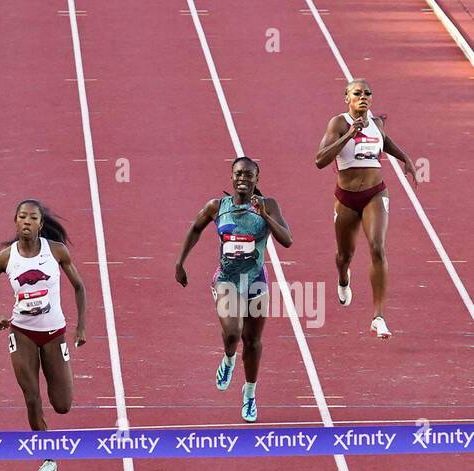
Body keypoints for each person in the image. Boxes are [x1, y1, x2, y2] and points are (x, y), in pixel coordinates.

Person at [0, 200, 86, 471]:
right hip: (21, 334)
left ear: (40, 224)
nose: (26, 221)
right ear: (15, 221)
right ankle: (48, 457)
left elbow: (80, 286)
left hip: (54, 333)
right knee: (32, 399)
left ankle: (55, 409)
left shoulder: (56, 251)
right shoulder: (4, 258)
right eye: (22, 216)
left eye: (32, 217)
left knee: (62, 404)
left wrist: (81, 327)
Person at [174, 157, 292, 423]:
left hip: (256, 282)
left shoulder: (268, 205)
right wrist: (180, 262)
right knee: (233, 333)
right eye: (238, 173)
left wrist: (264, 215)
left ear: (256, 179)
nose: (243, 178)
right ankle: (228, 359)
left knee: (252, 342)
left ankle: (249, 393)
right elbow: (195, 228)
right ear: (231, 176)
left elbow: (287, 240)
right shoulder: (217, 207)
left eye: (248, 175)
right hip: (227, 279)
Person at [314, 78, 418, 339]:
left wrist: (405, 158)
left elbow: (386, 140)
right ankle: (343, 278)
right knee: (344, 256)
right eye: (357, 93)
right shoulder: (338, 124)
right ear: (346, 98)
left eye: (367, 93)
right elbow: (320, 160)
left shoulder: (376, 123)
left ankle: (378, 317)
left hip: (375, 193)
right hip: (347, 199)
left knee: (377, 247)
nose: (363, 97)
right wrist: (350, 134)